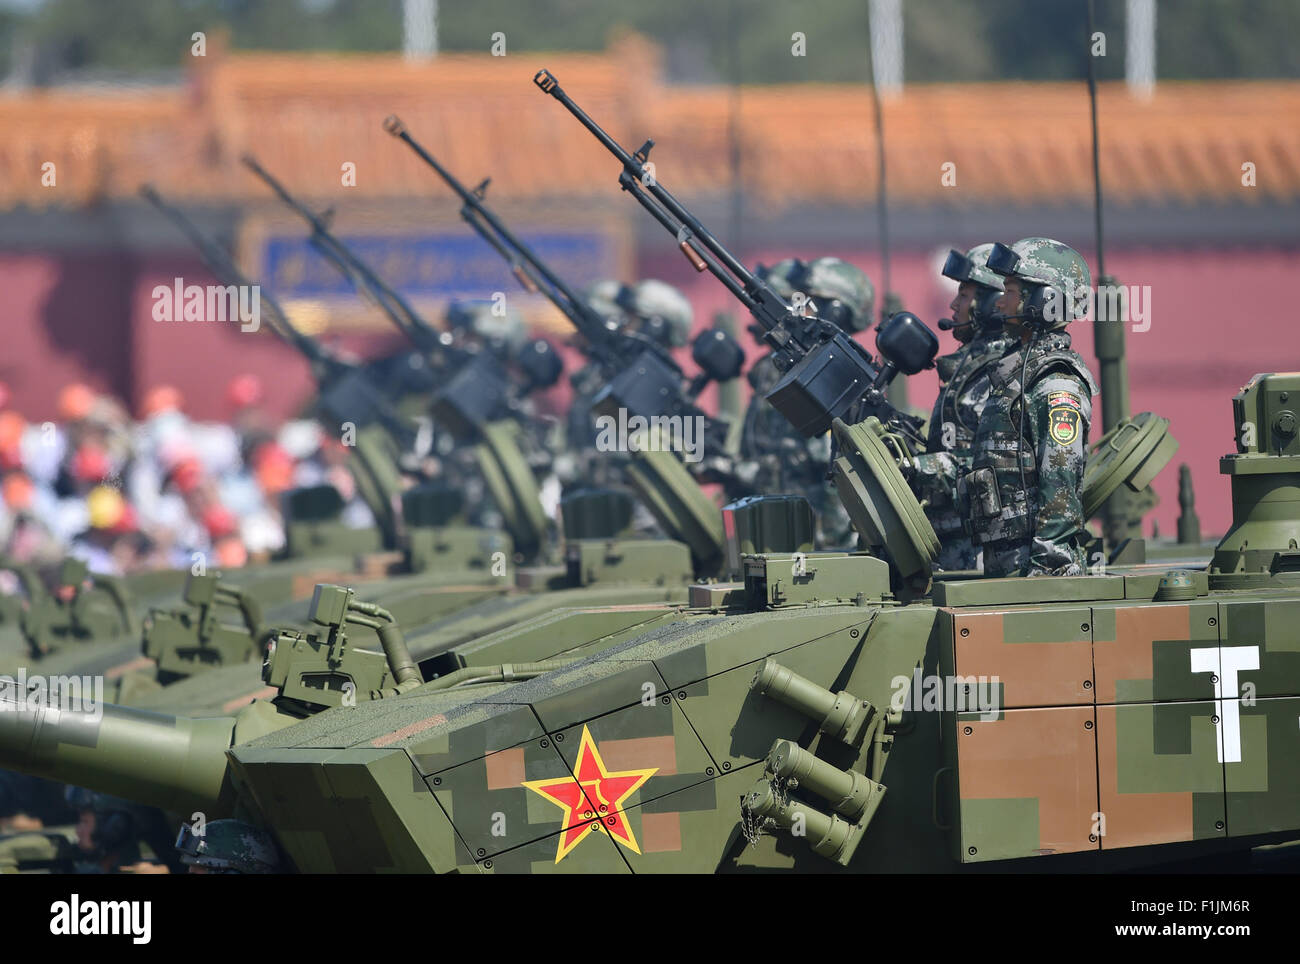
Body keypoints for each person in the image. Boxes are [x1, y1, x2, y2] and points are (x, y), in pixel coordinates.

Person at [961, 238, 1098, 577]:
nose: (1001, 302)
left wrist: (1045, 575)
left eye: (1009, 291)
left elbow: (1061, 494)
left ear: (1043, 300)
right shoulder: (1016, 375)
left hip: (1034, 574)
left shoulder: (1055, 385)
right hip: (1006, 565)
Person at [738, 257, 874, 548]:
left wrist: (833, 537)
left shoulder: (850, 380)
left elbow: (844, 467)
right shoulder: (791, 366)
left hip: (824, 536)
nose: (799, 307)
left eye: (808, 300)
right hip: (781, 520)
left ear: (835, 311)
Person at [910, 244, 1014, 570]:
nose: (954, 304)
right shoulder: (971, 364)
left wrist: (918, 466)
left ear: (991, 305)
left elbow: (997, 462)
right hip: (951, 542)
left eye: (965, 296)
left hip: (981, 549)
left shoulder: (1006, 370)